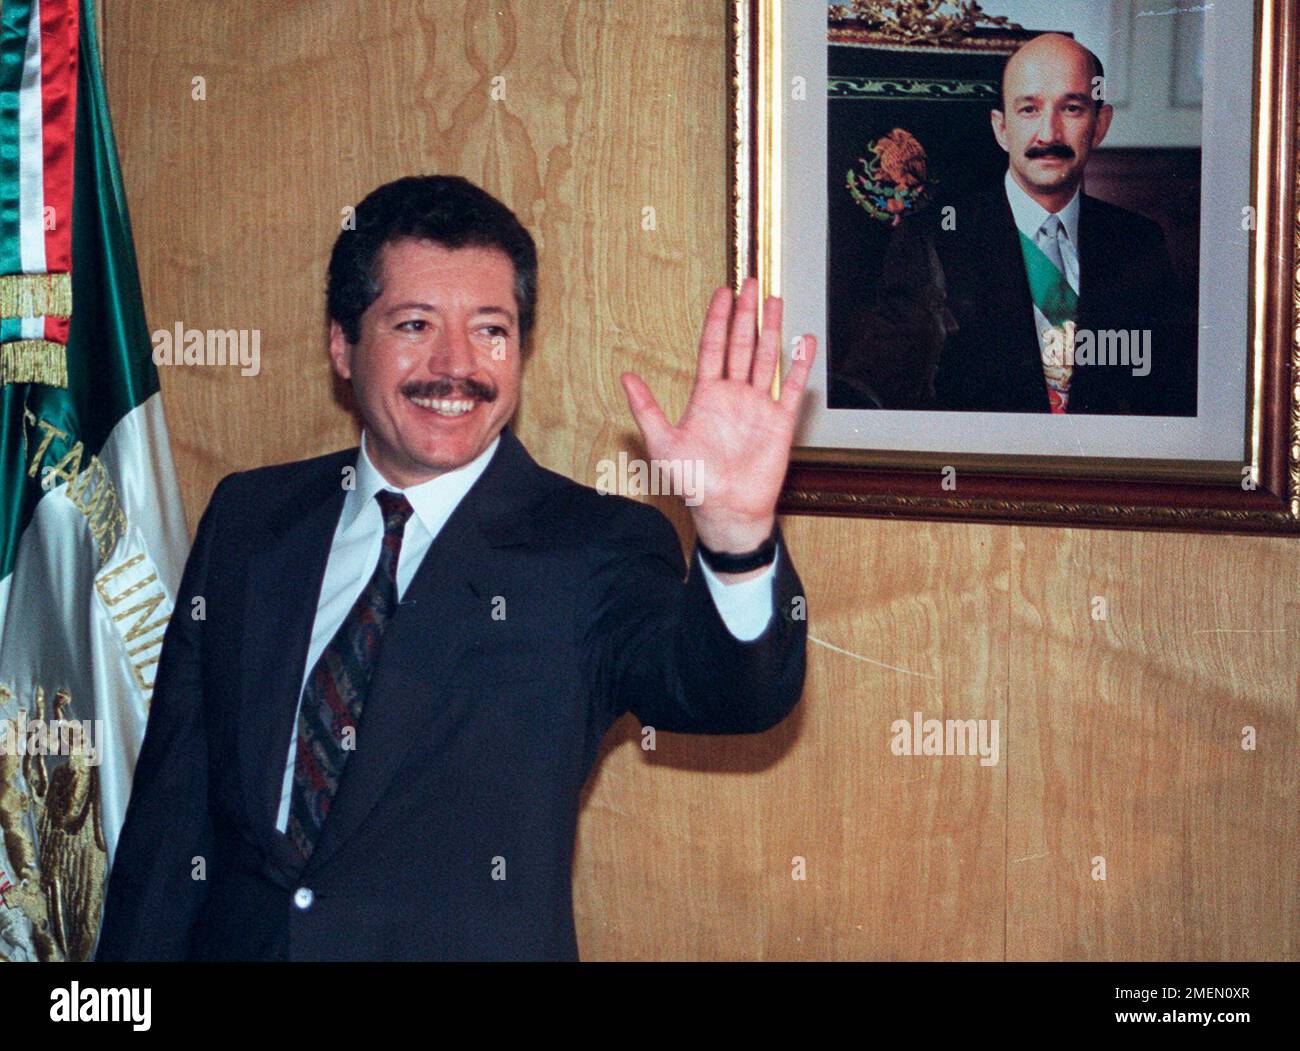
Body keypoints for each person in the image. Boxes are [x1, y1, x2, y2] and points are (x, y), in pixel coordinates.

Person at [94, 175, 815, 961]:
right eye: (414, 324)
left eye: (490, 331)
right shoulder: (249, 520)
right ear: (343, 343)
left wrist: (738, 539)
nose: (456, 365)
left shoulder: (593, 547)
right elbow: (170, 826)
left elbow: (727, 690)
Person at [837, 32, 1195, 414]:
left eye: (1071, 108)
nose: (1048, 134)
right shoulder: (933, 240)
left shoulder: (1139, 241)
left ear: (1100, 124)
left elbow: (1170, 398)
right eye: (1029, 110)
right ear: (1001, 127)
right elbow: (875, 391)